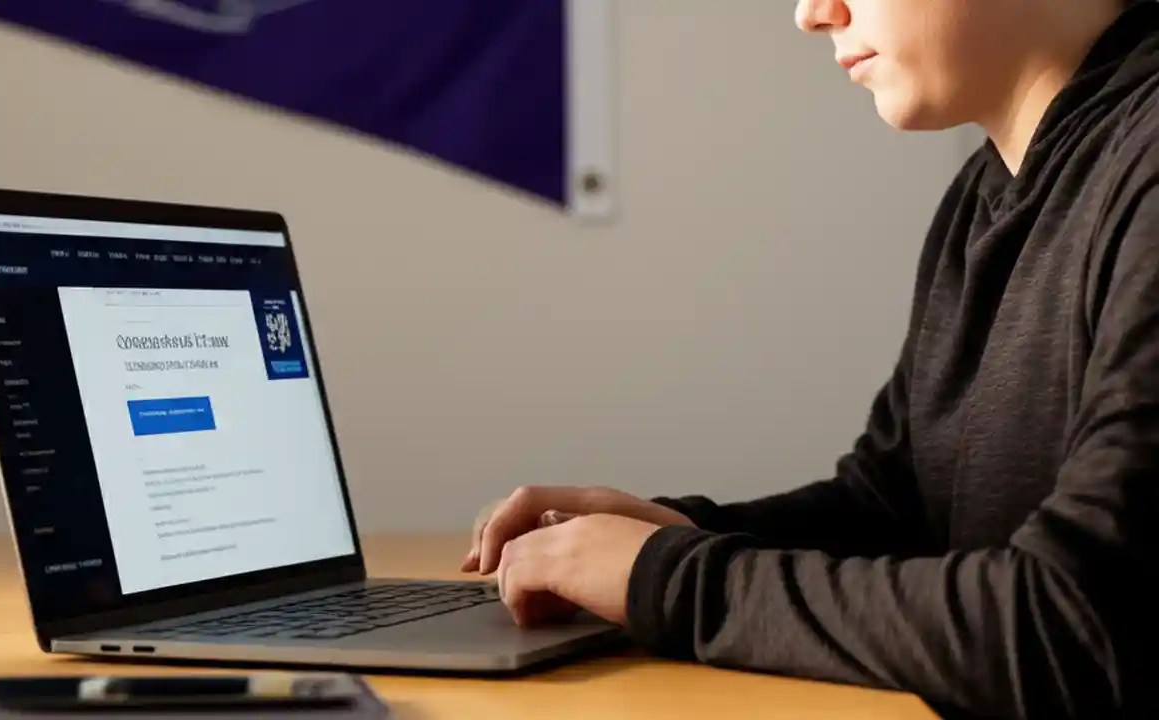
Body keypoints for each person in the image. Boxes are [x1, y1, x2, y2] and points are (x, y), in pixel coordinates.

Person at [460, 0, 1159, 717]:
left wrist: (668, 580)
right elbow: (900, 512)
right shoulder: (983, 198)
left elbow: (1078, 624)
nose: (813, 13)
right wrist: (676, 534)